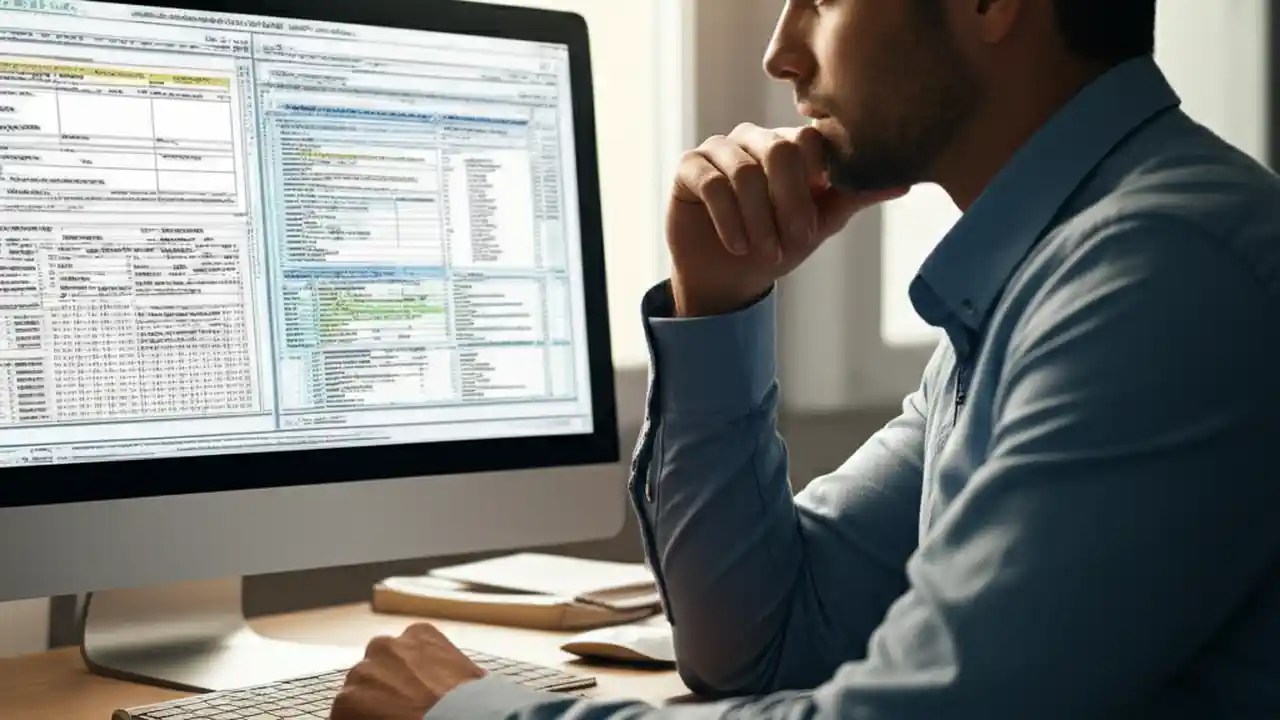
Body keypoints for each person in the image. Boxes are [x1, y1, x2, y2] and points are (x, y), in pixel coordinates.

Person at [331, 0, 1280, 717]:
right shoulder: (1043, 283)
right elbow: (763, 644)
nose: (781, 52)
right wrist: (720, 301)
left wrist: (478, 712)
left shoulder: (1160, 272)